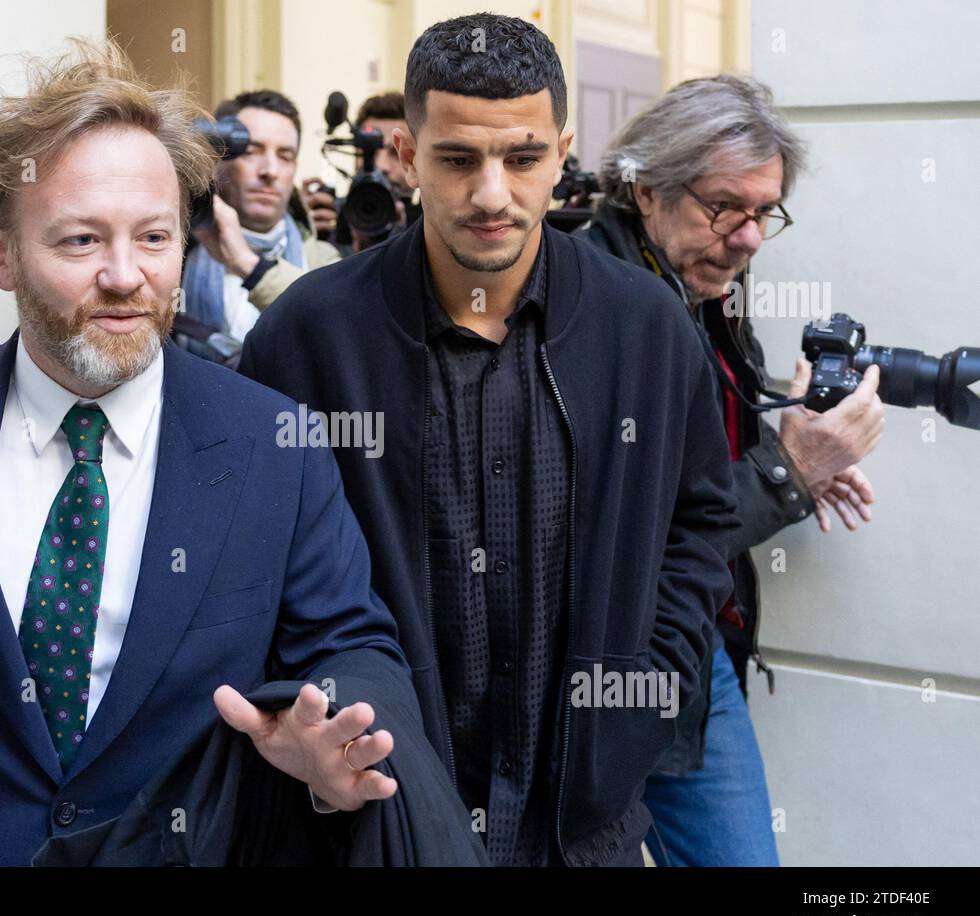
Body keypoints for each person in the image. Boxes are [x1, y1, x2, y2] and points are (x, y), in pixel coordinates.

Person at [0, 38, 468, 867]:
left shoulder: (277, 446)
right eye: (82, 242)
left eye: (154, 238)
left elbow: (354, 645)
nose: (126, 277)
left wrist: (330, 752)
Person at [240, 13, 739, 866]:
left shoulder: (647, 328)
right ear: (404, 154)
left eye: (522, 157)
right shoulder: (306, 339)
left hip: (582, 829)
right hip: (380, 826)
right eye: (458, 158)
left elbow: (699, 524)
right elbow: (255, 561)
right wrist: (317, 720)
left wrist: (639, 699)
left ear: (562, 150)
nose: (492, 193)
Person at [584, 74, 885, 866]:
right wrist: (788, 469)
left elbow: (695, 470)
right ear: (645, 188)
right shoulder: (592, 303)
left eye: (765, 213)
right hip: (601, 661)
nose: (749, 237)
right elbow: (633, 534)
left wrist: (795, 459)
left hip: (696, 651)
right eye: (726, 207)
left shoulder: (702, 279)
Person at [183, 90, 340, 341]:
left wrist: (246, 264)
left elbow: (336, 329)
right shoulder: (178, 254)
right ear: (218, 160)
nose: (270, 171)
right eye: (250, 151)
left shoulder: (324, 261)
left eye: (285, 156)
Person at [303, 92, 421, 251]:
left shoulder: (432, 227)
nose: (381, 165)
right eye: (370, 151)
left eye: (396, 152)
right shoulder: (332, 217)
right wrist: (300, 230)